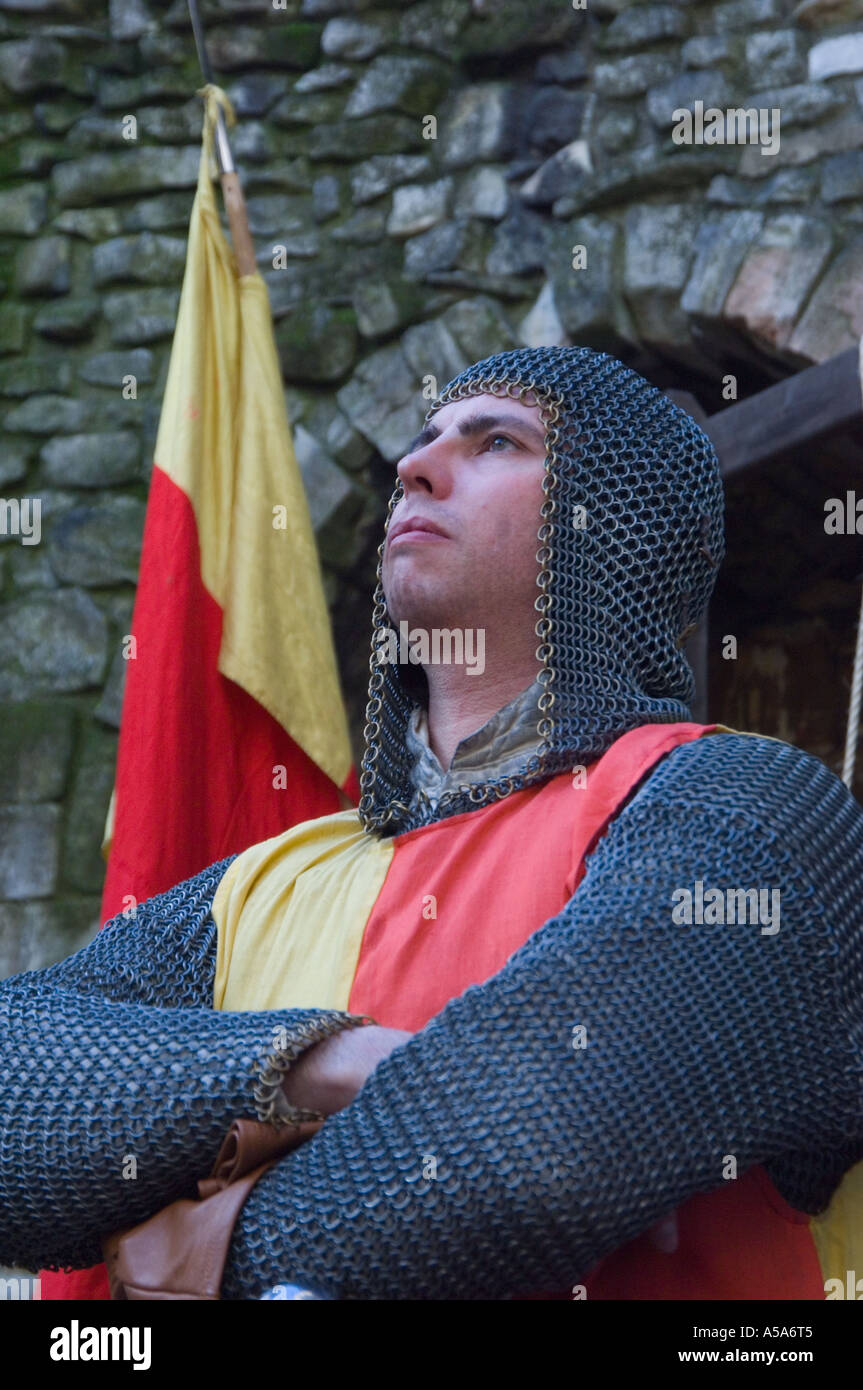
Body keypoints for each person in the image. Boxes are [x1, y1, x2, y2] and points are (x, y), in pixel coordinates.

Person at [2, 345, 862, 1301]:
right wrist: (318, 1062)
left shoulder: (743, 810)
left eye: (497, 440)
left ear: (617, 527)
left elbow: (526, 1149)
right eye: (423, 439)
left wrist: (173, 1257)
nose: (414, 465)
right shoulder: (267, 884)